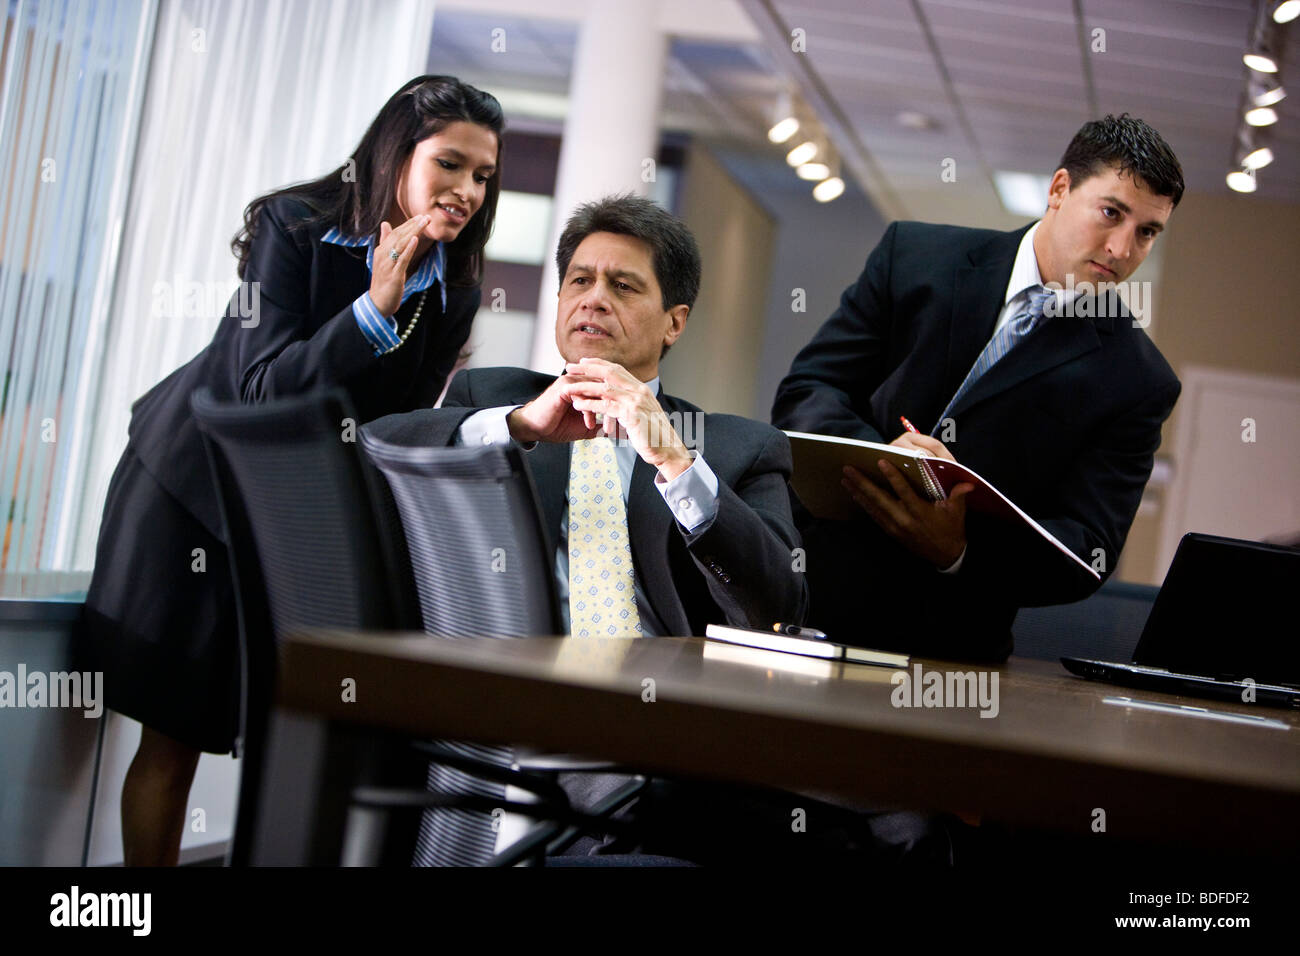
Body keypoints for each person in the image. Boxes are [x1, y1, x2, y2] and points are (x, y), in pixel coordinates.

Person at [367, 196, 956, 867]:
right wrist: (522, 425)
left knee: (911, 818)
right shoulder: (493, 398)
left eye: (623, 286)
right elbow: (372, 450)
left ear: (674, 322)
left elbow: (776, 605)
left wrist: (676, 463)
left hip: (686, 726)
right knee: (628, 809)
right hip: (539, 711)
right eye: (580, 280)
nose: (594, 298)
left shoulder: (737, 446)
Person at [81, 75, 505, 865]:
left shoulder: (455, 286)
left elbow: (400, 428)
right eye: (449, 163)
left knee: (286, 743)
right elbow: (258, 392)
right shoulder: (296, 228)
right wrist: (371, 311)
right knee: (172, 739)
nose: (468, 190)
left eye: (483, 174)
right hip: (193, 497)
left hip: (291, 520)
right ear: (396, 153)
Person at [772, 114, 1183, 662]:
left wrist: (960, 549)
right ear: (1060, 190)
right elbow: (808, 390)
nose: (1123, 248)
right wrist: (884, 458)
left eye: (1147, 232)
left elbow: (1089, 551)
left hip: (950, 650)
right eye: (1112, 213)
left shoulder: (1139, 380)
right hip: (810, 597)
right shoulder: (914, 256)